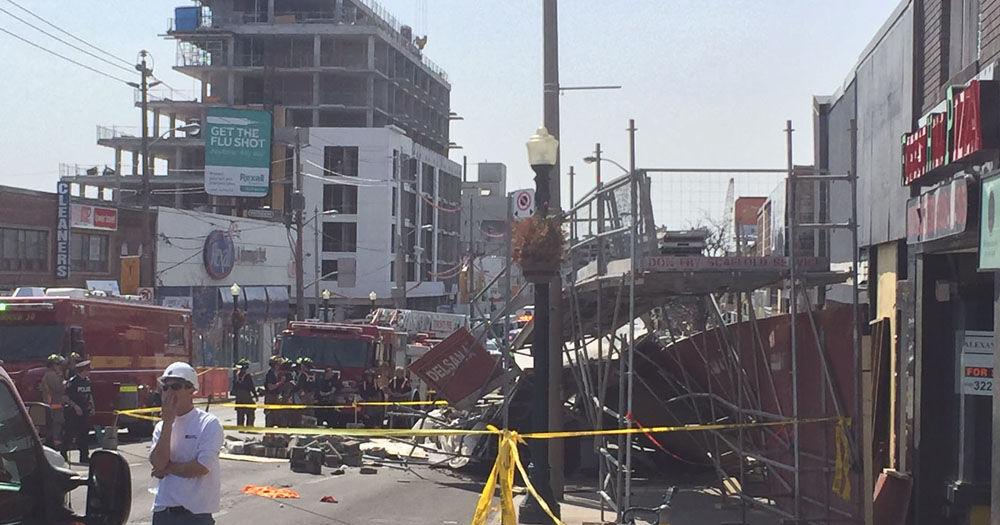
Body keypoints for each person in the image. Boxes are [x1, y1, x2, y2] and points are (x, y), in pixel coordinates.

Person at [149, 362, 224, 524]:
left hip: (195, 515)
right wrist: (168, 423)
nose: (169, 392)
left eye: (175, 386)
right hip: (164, 513)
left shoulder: (208, 423)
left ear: (191, 390)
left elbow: (201, 467)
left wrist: (167, 468)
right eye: (165, 387)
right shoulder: (162, 426)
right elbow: (158, 462)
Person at [63, 359, 95, 464]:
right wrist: (75, 407)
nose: (89, 372)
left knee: (84, 435)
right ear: (83, 370)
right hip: (73, 412)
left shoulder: (87, 381)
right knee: (70, 434)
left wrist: (92, 406)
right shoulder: (73, 382)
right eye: (88, 370)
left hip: (85, 411)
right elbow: (66, 397)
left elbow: (89, 395)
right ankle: (63, 454)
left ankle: (84, 457)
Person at [39, 354, 66, 452]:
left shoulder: (50, 374)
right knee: (56, 428)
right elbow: (58, 388)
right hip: (54, 406)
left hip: (55, 405)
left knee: (56, 427)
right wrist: (64, 382)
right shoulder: (51, 375)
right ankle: (56, 448)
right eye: (59, 364)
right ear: (53, 365)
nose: (60, 367)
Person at [231, 359, 257, 427]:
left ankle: (240, 427)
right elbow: (251, 387)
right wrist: (255, 395)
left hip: (239, 398)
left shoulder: (236, 376)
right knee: (250, 412)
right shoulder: (247, 376)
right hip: (246, 397)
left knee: (240, 413)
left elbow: (234, 387)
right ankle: (249, 426)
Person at [262, 356, 285, 427]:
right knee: (270, 416)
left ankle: (278, 435)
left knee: (279, 416)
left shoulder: (279, 374)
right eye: (278, 364)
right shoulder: (270, 374)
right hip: (270, 397)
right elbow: (271, 387)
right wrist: (280, 382)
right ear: (274, 365)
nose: (279, 366)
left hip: (277, 397)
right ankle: (269, 434)